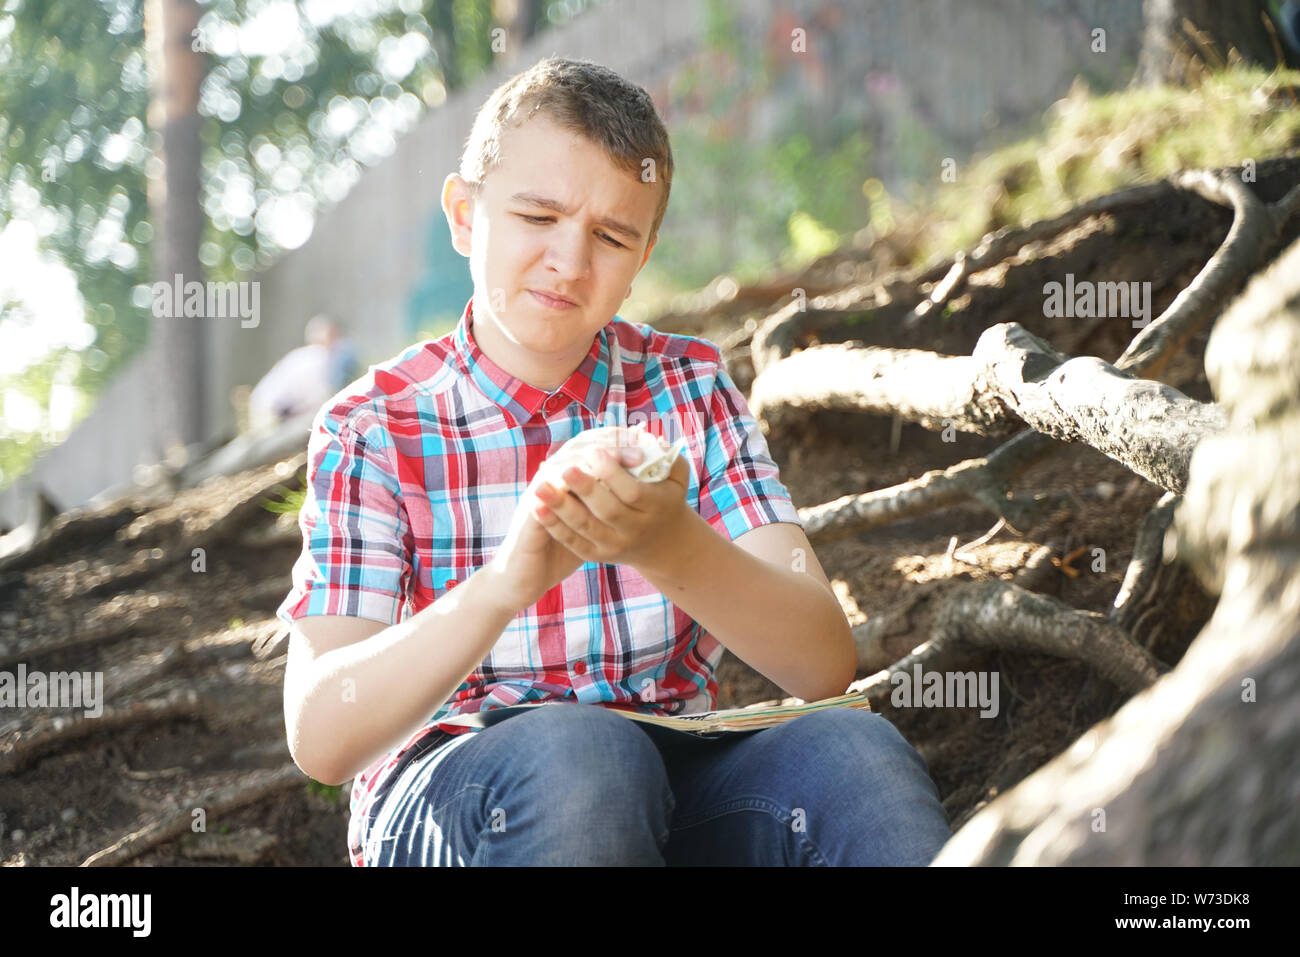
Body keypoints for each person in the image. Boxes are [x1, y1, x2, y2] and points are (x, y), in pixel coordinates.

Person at [275, 56, 953, 867]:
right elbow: (323, 735)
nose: (570, 260)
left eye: (611, 235)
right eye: (537, 217)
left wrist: (668, 545)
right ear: (464, 215)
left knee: (856, 751)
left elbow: (821, 662)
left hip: (672, 775)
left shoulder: (687, 387)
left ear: (642, 257)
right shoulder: (373, 426)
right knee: (585, 760)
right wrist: (505, 585)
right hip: (458, 794)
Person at [246, 315, 358, 433]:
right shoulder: (318, 358)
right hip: (273, 414)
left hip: (264, 408)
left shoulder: (304, 356)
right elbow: (319, 397)